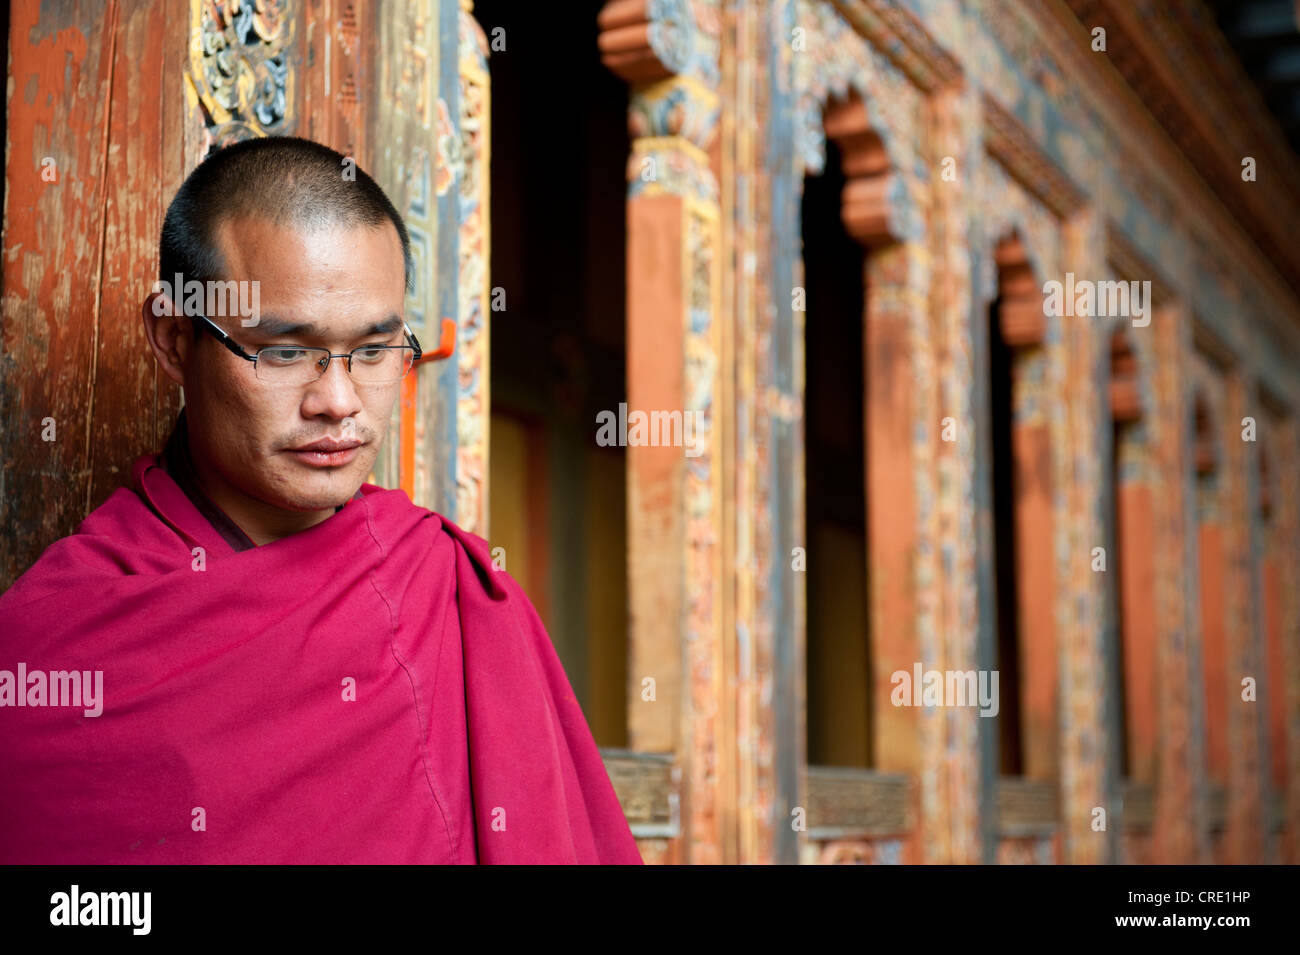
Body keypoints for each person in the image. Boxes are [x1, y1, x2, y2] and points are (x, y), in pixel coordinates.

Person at [0, 136, 642, 865]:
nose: (339, 403)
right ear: (175, 336)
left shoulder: (450, 592)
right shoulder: (58, 637)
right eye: (283, 352)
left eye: (373, 352)